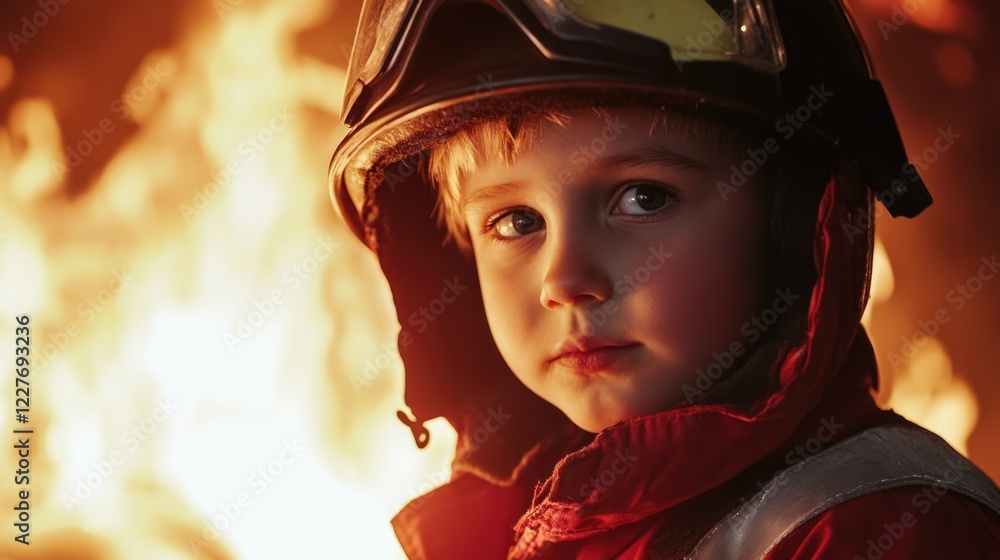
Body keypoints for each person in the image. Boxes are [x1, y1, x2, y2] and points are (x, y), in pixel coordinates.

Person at [329, 1, 1000, 558]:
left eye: (643, 198)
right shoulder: (531, 523)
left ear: (795, 224)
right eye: (514, 222)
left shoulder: (877, 526)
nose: (564, 279)